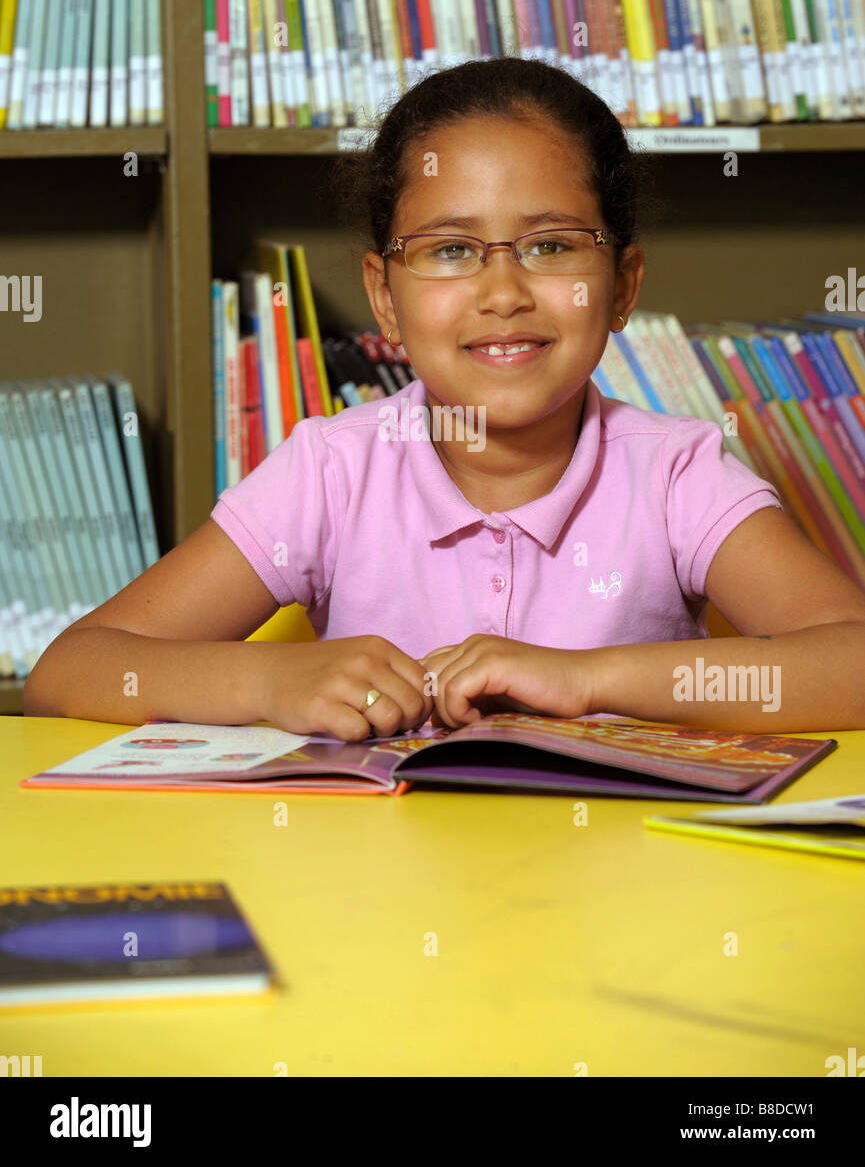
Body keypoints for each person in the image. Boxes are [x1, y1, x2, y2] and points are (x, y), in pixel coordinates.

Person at [23, 59, 865, 736]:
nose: (502, 292)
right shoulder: (334, 470)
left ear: (621, 284)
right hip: (381, 907)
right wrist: (270, 677)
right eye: (451, 251)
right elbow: (71, 670)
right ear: (384, 295)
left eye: (551, 245)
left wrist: (582, 680)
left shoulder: (675, 473)